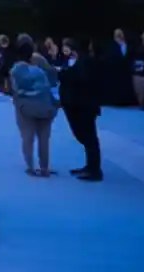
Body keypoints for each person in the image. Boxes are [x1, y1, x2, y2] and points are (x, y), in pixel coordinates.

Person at [10, 42, 59, 177]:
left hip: (26, 107)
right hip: (45, 105)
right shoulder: (41, 66)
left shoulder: (15, 70)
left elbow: (15, 90)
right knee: (44, 138)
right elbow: (52, 82)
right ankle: (44, 168)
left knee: (27, 137)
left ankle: (30, 167)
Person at [58, 38, 103, 181]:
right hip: (73, 104)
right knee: (82, 135)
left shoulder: (85, 62)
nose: (63, 50)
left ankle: (94, 169)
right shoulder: (69, 61)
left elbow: (82, 79)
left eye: (66, 47)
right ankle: (90, 165)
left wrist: (65, 74)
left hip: (84, 105)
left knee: (89, 137)